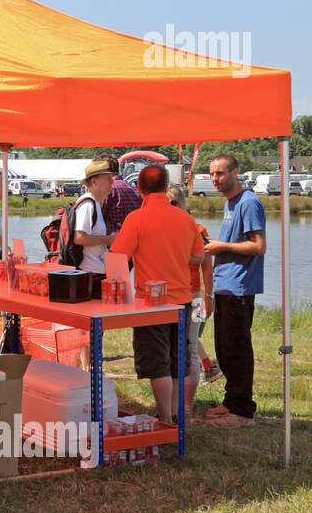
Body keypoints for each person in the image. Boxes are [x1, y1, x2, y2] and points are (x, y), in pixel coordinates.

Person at [109, 165, 203, 425]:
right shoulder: (185, 218)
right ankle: (175, 414)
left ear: (139, 188)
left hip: (150, 303)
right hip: (182, 298)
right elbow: (199, 254)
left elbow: (118, 255)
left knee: (156, 361)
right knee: (176, 357)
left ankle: (164, 419)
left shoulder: (136, 219)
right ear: (166, 186)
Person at [202, 153, 266, 428]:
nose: (216, 179)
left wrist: (221, 246)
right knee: (225, 349)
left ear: (235, 173)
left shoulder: (249, 202)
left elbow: (258, 246)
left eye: (221, 173)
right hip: (225, 285)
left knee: (237, 349)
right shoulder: (230, 203)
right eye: (212, 174)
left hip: (239, 287)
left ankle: (242, 412)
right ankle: (231, 401)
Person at [166, 185, 220, 408]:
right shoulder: (161, 229)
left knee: (189, 344)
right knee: (169, 346)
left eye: (170, 204)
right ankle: (171, 399)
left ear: (180, 204)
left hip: (194, 296)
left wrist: (209, 296)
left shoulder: (198, 229)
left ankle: (186, 404)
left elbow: (207, 265)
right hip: (166, 297)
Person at [71, 158, 119, 284]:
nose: (112, 183)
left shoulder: (94, 204)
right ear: (94, 181)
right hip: (90, 274)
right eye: (108, 179)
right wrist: (108, 239)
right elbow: (79, 238)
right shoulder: (88, 204)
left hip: (95, 271)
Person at [97, 152, 142, 234]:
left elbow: (96, 218)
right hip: (133, 241)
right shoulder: (135, 191)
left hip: (111, 242)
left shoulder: (108, 189)